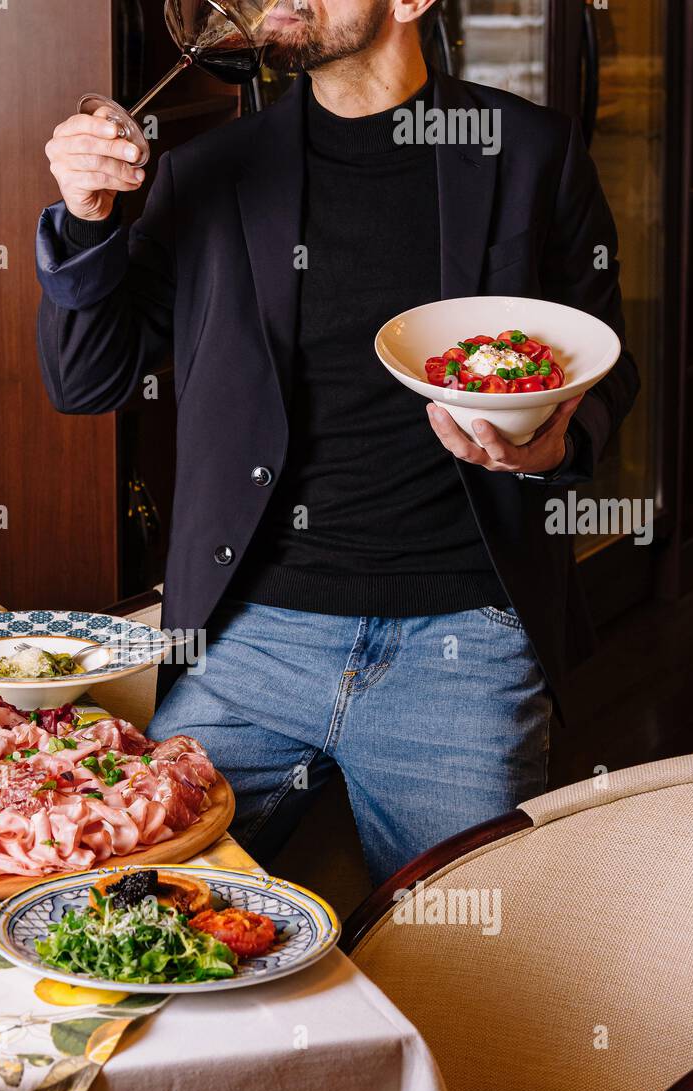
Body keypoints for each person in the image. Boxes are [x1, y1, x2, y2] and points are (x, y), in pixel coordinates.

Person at [34, 0, 639, 885]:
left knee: (474, 972)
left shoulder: (527, 150)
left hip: (462, 645)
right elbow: (85, 380)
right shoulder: (215, 169)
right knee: (133, 909)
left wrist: (544, 448)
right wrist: (85, 217)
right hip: (249, 640)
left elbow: (603, 363)